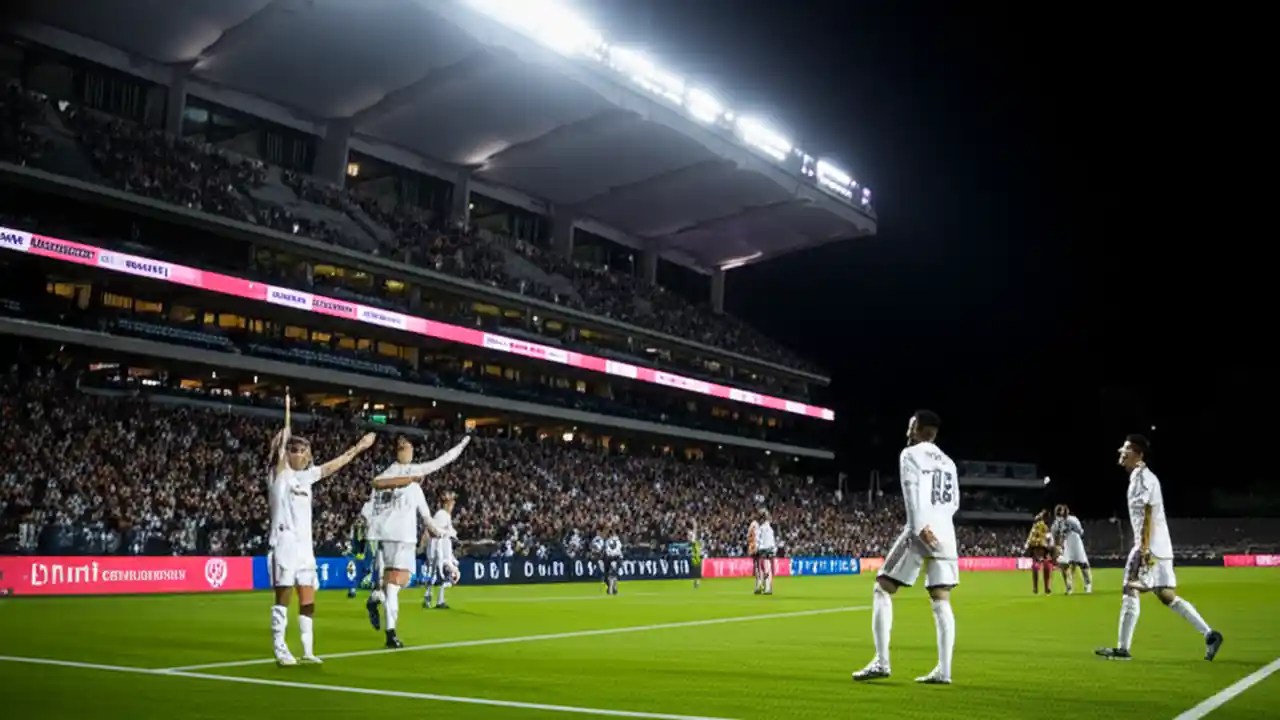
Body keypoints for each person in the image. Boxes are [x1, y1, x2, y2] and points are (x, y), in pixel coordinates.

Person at [268, 393, 376, 666]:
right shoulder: (279, 476)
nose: (300, 454)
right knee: (284, 597)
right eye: (294, 450)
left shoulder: (307, 477)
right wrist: (282, 440)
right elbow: (278, 456)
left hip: (306, 547)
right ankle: (280, 648)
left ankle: (307, 649)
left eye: (304, 451)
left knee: (308, 598)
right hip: (284, 543)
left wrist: (359, 448)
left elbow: (334, 465)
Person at [1095, 434, 1223, 661]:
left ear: (1139, 454)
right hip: (1160, 546)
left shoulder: (1143, 479)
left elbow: (1146, 515)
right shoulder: (1141, 477)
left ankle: (1123, 649)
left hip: (1149, 546)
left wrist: (1143, 549)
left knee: (1130, 588)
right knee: (1166, 596)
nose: (1121, 453)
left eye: (1126, 449)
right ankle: (1210, 634)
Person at [853, 410, 959, 685]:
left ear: (921, 429)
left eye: (911, 425)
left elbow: (911, 494)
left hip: (920, 528)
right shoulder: (949, 462)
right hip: (946, 530)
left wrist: (918, 528)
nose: (907, 430)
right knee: (941, 598)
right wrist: (939, 523)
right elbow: (955, 502)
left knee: (882, 587)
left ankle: (881, 661)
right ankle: (944, 671)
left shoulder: (909, 455)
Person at [365, 435, 469, 648]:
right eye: (406, 447)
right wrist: (464, 441)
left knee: (397, 582)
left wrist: (439, 532)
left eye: (410, 447)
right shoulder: (399, 474)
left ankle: (378, 597)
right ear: (399, 451)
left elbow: (426, 517)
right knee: (395, 584)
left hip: (392, 537)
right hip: (398, 536)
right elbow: (377, 483)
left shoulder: (414, 484)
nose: (409, 451)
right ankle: (390, 632)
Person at [423, 490, 459, 609]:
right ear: (447, 504)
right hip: (437, 549)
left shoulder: (446, 516)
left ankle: (437, 600)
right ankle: (431, 600)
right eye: (451, 503)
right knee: (437, 575)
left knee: (440, 575)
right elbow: (433, 531)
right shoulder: (441, 515)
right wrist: (447, 533)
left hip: (443, 549)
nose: (452, 506)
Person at [1051, 504, 1092, 594]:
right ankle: (1069, 586)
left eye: (1061, 512)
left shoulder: (1072, 520)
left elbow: (1080, 531)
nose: (1060, 515)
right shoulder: (1056, 523)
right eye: (1058, 513)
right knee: (1065, 564)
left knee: (1082, 563)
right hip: (1066, 543)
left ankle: (1088, 584)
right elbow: (1053, 534)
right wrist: (1056, 545)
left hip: (1075, 541)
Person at [1025, 510, 1054, 595]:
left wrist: (1027, 546)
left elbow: (1030, 537)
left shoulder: (1035, 525)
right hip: (1042, 546)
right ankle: (1046, 587)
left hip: (1034, 547)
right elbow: (1048, 537)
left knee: (1035, 565)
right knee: (1046, 565)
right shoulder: (1044, 526)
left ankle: (1035, 588)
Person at [755, 509, 777, 595]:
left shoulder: (762, 528)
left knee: (764, 568)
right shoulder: (770, 528)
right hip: (769, 549)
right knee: (767, 568)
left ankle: (766, 587)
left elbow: (758, 540)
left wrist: (757, 548)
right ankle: (767, 587)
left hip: (764, 549)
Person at [688, 518, 703, 589]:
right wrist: (694, 524)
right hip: (695, 556)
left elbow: (694, 531)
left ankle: (696, 582)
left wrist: (694, 524)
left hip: (696, 555)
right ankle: (696, 582)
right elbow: (694, 531)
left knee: (697, 569)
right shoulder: (694, 542)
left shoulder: (696, 542)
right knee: (696, 569)